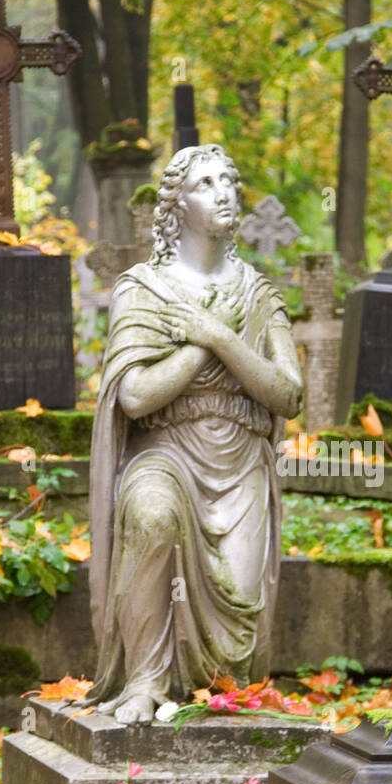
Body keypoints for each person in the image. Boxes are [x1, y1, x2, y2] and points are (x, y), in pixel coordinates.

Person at [88, 144, 302, 724]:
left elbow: (289, 394)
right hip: (165, 453)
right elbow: (133, 396)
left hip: (239, 466)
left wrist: (221, 336)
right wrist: (200, 346)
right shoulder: (144, 289)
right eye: (207, 183)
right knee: (153, 514)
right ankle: (145, 680)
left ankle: (210, 691)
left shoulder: (258, 294)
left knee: (230, 654)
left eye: (231, 180)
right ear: (177, 204)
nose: (226, 191)